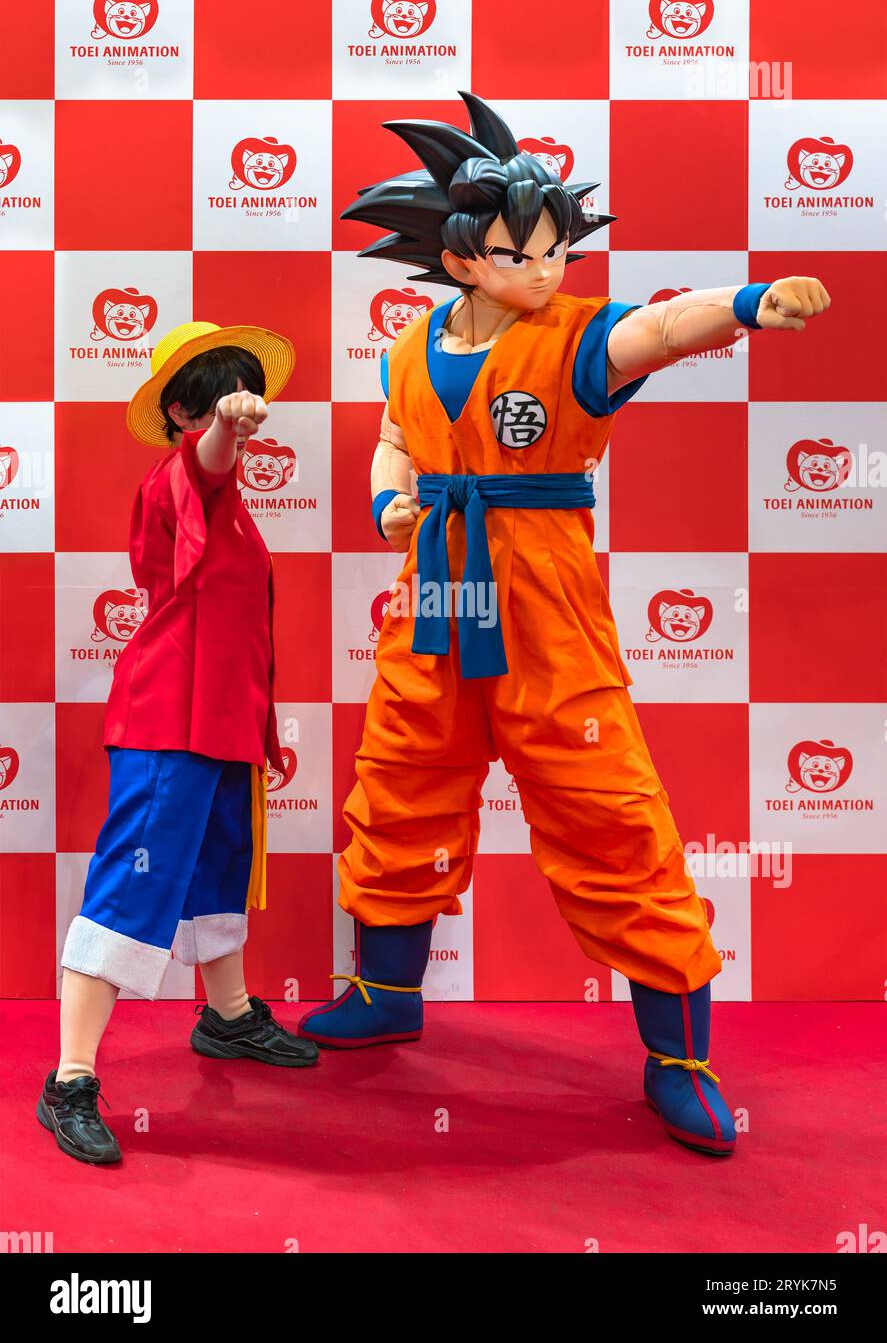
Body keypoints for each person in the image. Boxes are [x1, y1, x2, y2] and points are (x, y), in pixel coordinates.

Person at [299, 92, 831, 1155]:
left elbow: (650, 330)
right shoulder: (409, 346)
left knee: (609, 814)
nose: (543, 271)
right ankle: (384, 991)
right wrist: (384, 499)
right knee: (400, 778)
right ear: (456, 258)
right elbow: (395, 442)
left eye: (553, 250)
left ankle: (677, 1058)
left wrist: (740, 301)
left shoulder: (575, 339)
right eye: (516, 253)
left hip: (544, 605)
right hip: (437, 594)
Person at [39, 321, 318, 1166]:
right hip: (170, 720)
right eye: (213, 393)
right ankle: (71, 1079)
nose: (238, 407)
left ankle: (226, 1018)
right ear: (179, 411)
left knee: (212, 874)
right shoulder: (181, 480)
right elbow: (211, 460)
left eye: (240, 389)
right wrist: (227, 426)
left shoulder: (230, 511)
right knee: (131, 885)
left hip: (222, 723)